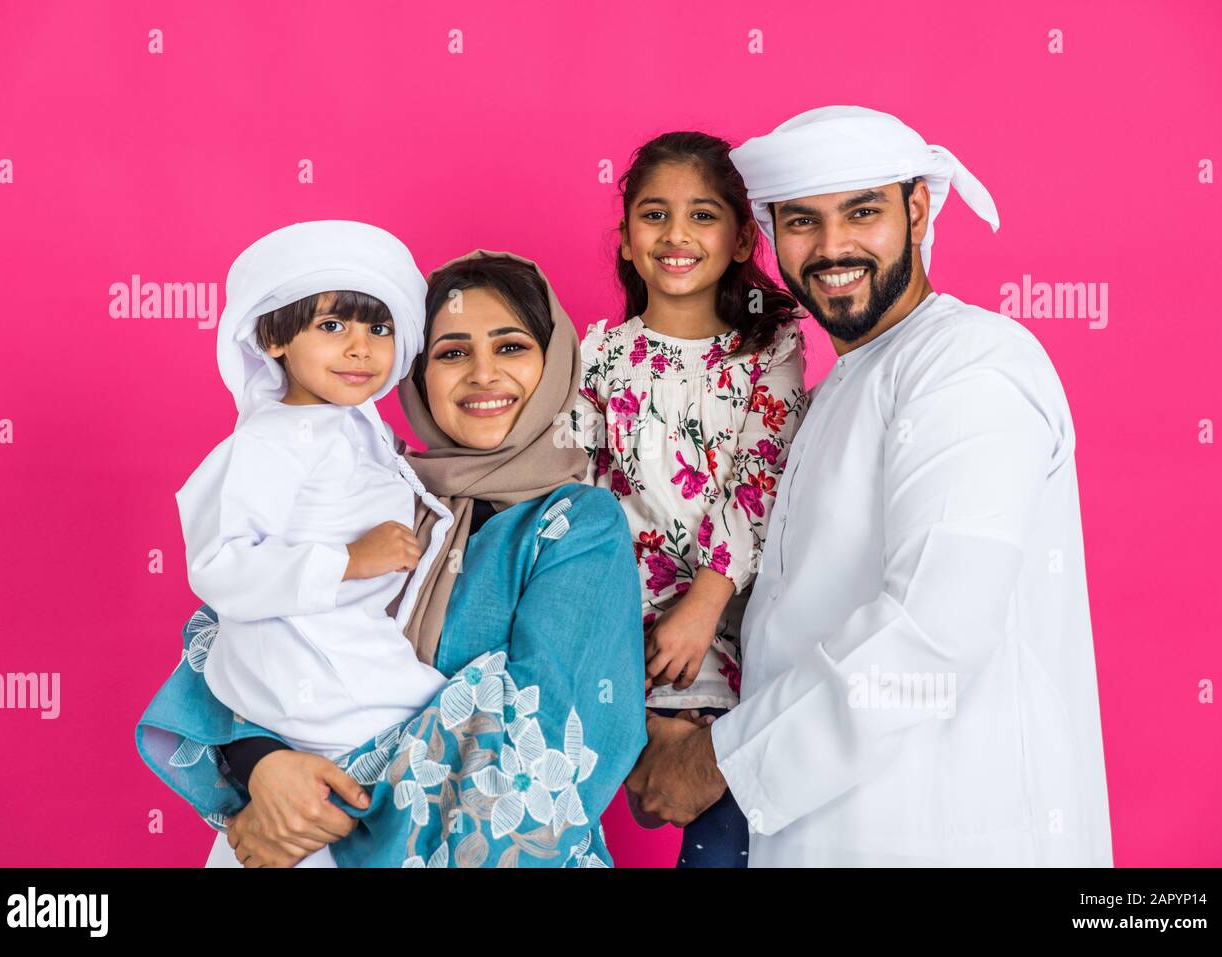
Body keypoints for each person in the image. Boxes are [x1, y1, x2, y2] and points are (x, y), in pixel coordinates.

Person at [626, 105, 1114, 867]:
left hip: (950, 837)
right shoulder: (826, 397)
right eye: (802, 221)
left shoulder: (967, 362)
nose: (831, 247)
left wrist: (717, 762)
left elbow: (935, 631)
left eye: (862, 212)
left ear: (917, 210)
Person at [136, 246, 648, 868]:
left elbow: (559, 740)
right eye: (452, 353)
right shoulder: (377, 486)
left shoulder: (576, 525)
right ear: (416, 372)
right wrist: (263, 766)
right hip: (293, 837)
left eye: (511, 347)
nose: (484, 374)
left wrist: (349, 811)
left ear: (554, 360)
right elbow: (237, 631)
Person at [576, 131, 808, 867]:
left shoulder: (770, 350)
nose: (676, 235)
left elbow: (762, 478)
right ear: (626, 238)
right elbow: (574, 493)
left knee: (722, 834)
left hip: (732, 627)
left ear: (741, 239)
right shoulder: (597, 356)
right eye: (655, 215)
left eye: (702, 215)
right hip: (623, 637)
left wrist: (704, 605)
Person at [174, 220, 459, 774]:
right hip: (309, 668)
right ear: (273, 338)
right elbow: (218, 563)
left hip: (360, 644)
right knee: (441, 754)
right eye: (332, 325)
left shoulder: (360, 429)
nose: (360, 349)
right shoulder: (267, 441)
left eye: (380, 329)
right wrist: (348, 560)